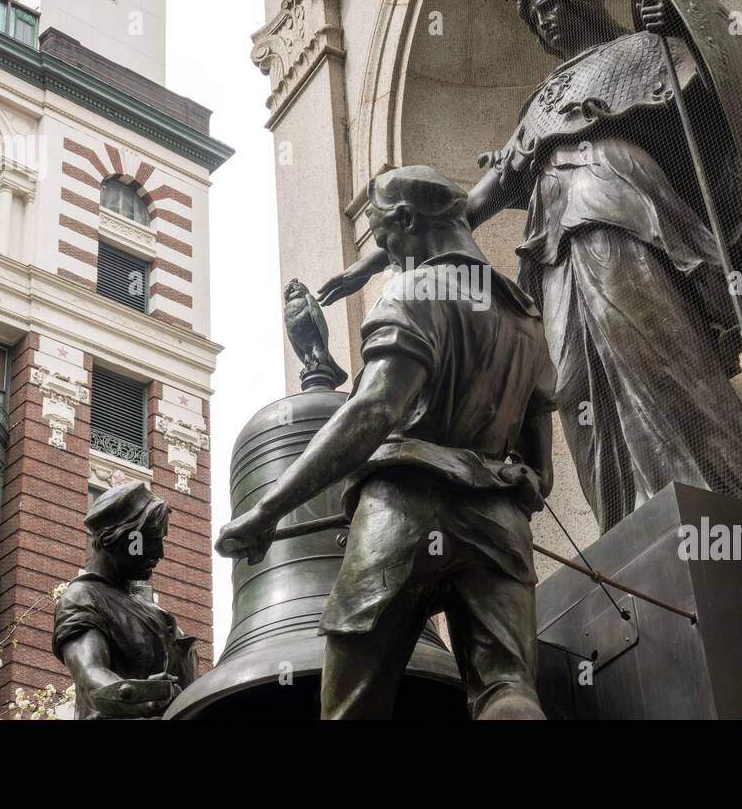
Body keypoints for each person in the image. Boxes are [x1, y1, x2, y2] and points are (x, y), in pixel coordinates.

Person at [319, 0, 742, 531]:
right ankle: (628, 524)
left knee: (653, 353)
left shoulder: (643, 50)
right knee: (578, 387)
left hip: (615, 209)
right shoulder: (541, 101)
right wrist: (374, 261)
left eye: (551, 4)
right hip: (553, 248)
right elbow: (468, 203)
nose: (545, 22)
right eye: (534, 16)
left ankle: (733, 505)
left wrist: (679, 31)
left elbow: (733, 85)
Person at [217, 166, 556, 719]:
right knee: (509, 690)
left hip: (405, 510)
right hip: (499, 520)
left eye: (382, 236)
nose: (387, 250)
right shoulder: (525, 317)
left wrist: (267, 510)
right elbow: (542, 473)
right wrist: (522, 479)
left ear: (404, 219)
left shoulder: (417, 289)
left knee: (353, 703)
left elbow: (374, 409)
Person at [53, 481, 196, 719]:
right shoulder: (82, 597)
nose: (159, 552)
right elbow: (90, 675)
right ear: (118, 537)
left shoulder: (155, 612)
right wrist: (139, 695)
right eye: (148, 540)